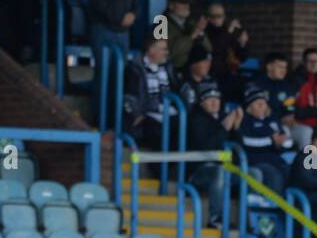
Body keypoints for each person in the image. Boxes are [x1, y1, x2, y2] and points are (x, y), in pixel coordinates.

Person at [86, 0, 137, 117]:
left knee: (120, 76)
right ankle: (99, 121)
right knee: (104, 75)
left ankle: (116, 122)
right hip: (103, 29)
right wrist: (118, 18)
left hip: (123, 32)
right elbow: (97, 2)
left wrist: (133, 14)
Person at [185, 79, 241, 224]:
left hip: (225, 168)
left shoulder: (223, 117)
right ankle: (216, 218)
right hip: (199, 172)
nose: (215, 102)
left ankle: (248, 222)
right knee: (219, 172)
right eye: (210, 99)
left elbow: (237, 150)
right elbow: (206, 147)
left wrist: (237, 128)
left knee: (254, 174)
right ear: (202, 102)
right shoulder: (195, 119)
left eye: (217, 99)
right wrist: (224, 128)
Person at [122, 37, 177, 149]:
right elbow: (129, 97)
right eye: (163, 49)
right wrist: (137, 115)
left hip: (169, 113)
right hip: (146, 115)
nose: (166, 53)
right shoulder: (135, 69)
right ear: (151, 50)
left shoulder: (168, 67)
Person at [238, 87, 292, 195]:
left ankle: (290, 207)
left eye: (264, 103)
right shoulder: (245, 121)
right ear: (250, 107)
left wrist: (281, 142)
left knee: (291, 171)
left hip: (276, 159)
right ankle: (273, 207)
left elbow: (288, 142)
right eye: (258, 103)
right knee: (274, 175)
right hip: (255, 161)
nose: (262, 106)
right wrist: (271, 140)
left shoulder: (272, 121)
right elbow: (246, 141)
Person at [287, 48, 317, 147]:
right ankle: (308, 162)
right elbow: (293, 110)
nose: (314, 64)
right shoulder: (295, 81)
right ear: (304, 63)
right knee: (309, 134)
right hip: (302, 124)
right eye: (311, 61)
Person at [160, 0, 207, 72]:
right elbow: (168, 52)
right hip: (173, 71)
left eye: (188, 3)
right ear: (171, 5)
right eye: (182, 3)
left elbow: (209, 49)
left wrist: (200, 33)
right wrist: (192, 36)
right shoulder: (161, 24)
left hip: (193, 72)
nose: (187, 6)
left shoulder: (190, 23)